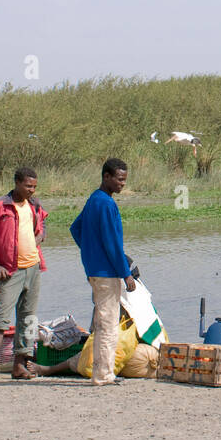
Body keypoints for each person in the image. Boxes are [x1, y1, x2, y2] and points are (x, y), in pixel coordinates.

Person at [0, 167, 47, 382]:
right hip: (10, 271)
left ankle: (20, 364)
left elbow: (42, 226)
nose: (31, 190)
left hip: (33, 268)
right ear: (16, 183)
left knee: (29, 318)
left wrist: (39, 238)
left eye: (34, 186)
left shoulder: (34, 205)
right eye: (27, 186)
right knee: (0, 319)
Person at [69, 159, 139, 386]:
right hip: (107, 273)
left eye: (124, 180)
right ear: (106, 177)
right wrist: (125, 273)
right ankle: (104, 374)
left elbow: (76, 229)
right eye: (119, 179)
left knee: (100, 322)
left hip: (94, 270)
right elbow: (112, 243)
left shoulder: (93, 199)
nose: (122, 184)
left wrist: (90, 251)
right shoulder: (107, 204)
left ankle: (100, 371)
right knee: (109, 324)